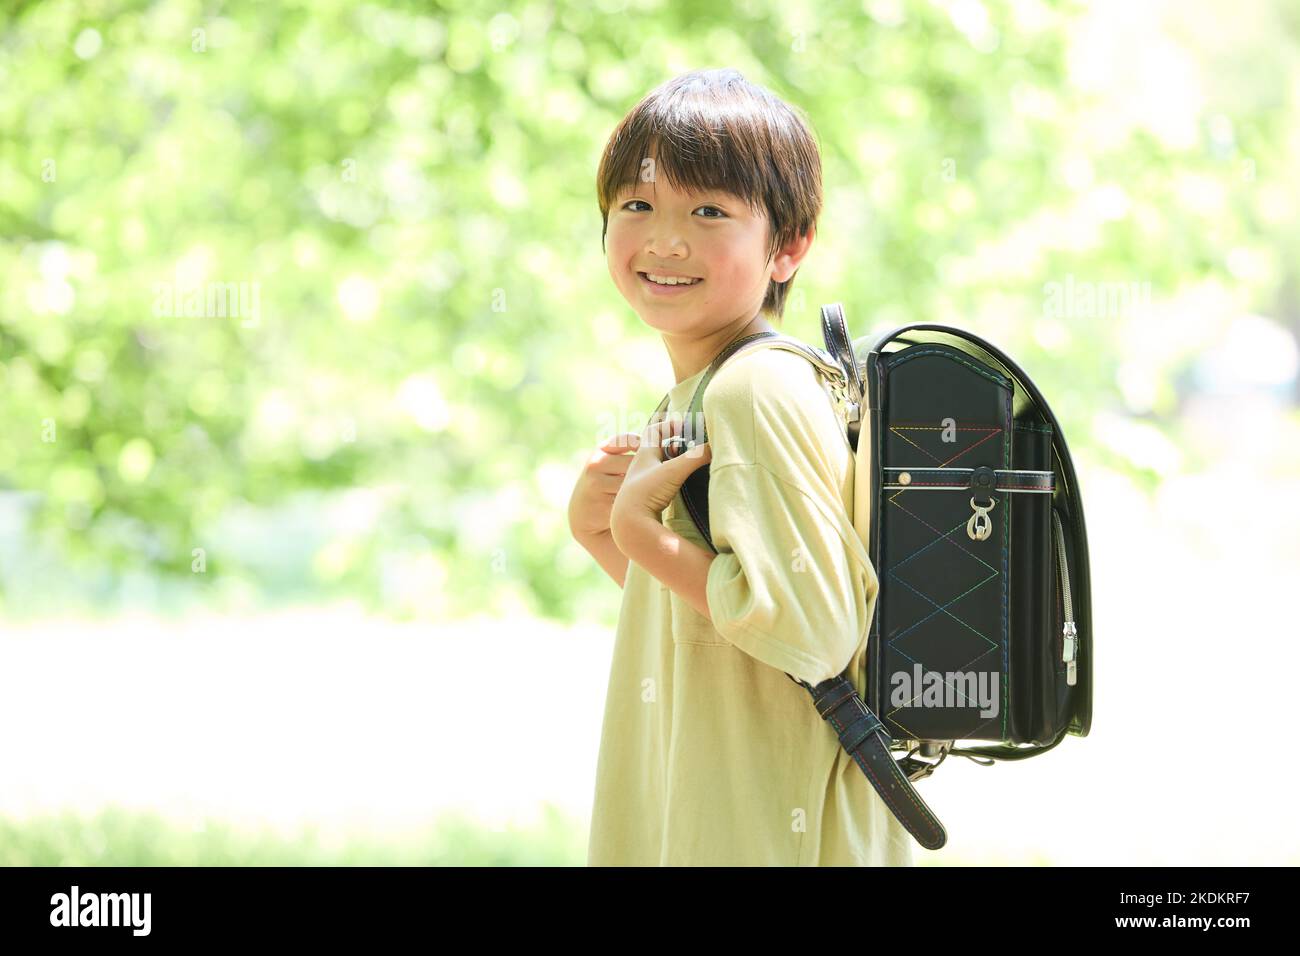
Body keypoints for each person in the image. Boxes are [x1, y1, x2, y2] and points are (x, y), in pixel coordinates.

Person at [569, 68, 914, 866]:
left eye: (710, 211)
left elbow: (814, 634)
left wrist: (642, 537)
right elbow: (733, 636)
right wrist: (607, 538)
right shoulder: (706, 389)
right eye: (637, 205)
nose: (665, 239)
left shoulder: (755, 388)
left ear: (788, 248)